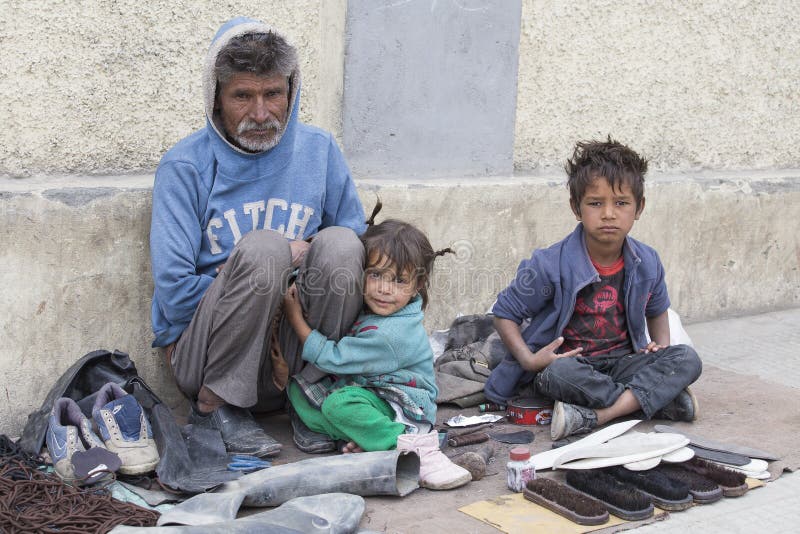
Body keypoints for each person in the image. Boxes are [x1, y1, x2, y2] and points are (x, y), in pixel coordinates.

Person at [149, 17, 366, 458]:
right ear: (216, 98)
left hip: (296, 348)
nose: (261, 114)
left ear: (292, 91)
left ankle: (313, 401)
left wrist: (294, 273)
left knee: (343, 244)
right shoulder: (185, 166)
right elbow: (173, 293)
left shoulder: (319, 151)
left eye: (273, 94)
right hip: (208, 357)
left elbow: (359, 249)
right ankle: (216, 407)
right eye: (242, 96)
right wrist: (258, 274)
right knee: (266, 248)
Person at [484, 137, 702, 441]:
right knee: (557, 375)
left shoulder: (647, 261)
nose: (609, 214)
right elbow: (504, 314)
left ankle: (599, 415)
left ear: (639, 208)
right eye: (596, 203)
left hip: (623, 363)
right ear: (576, 208)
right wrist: (529, 360)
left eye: (621, 203)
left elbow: (657, 310)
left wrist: (660, 346)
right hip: (569, 366)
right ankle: (649, 401)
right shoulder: (548, 264)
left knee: (686, 359)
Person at [282, 216, 472, 490]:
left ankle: (413, 449)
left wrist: (295, 317)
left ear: (418, 284)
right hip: (372, 389)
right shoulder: (381, 308)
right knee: (300, 395)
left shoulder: (391, 335)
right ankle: (366, 439)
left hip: (403, 407)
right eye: (375, 275)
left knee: (337, 405)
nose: (384, 289)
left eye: (398, 280)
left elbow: (333, 357)